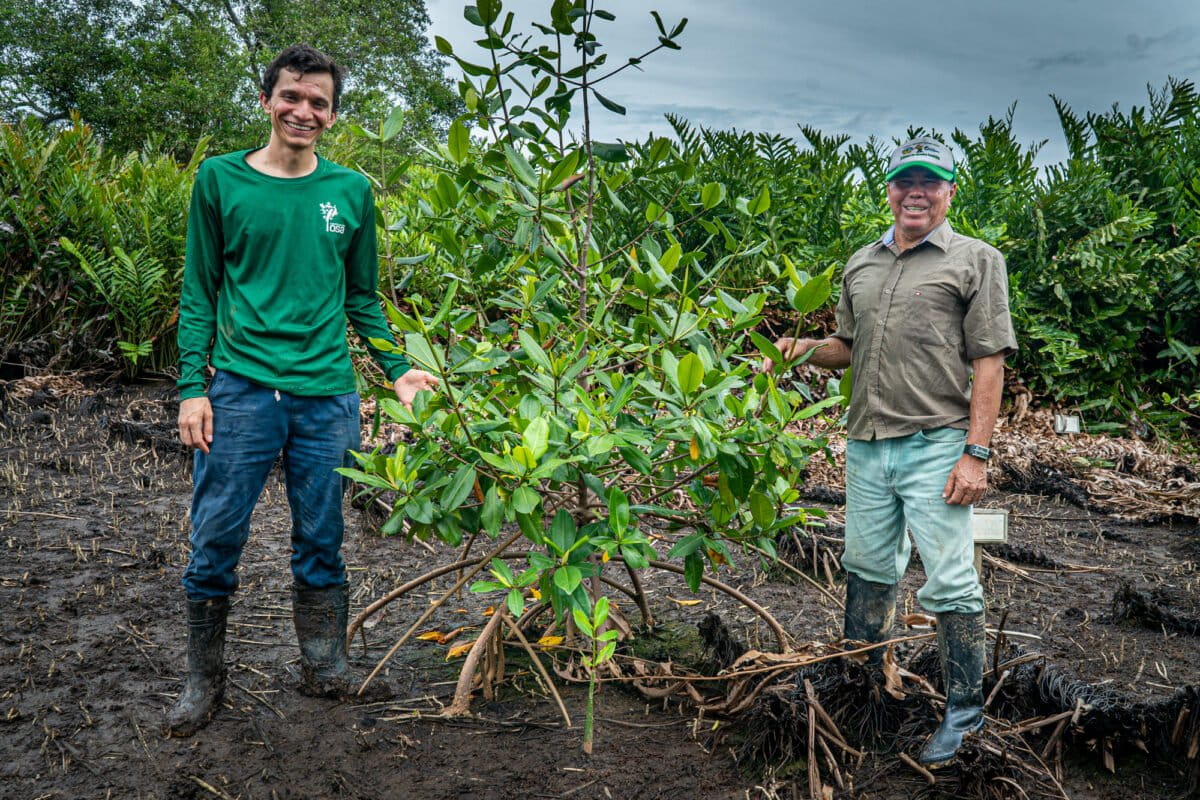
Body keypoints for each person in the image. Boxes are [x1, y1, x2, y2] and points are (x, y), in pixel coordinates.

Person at [166, 43, 439, 737]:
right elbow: (199, 292)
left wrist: (396, 366)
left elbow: (362, 298)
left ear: (333, 115)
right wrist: (191, 388)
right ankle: (205, 680)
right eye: (292, 96)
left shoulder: (349, 192)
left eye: (319, 102)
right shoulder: (220, 180)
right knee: (216, 537)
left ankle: (324, 666)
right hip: (241, 392)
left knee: (323, 535)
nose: (304, 110)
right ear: (267, 101)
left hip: (328, 396)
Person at [766, 136, 1016, 767]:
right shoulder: (861, 263)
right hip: (866, 445)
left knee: (952, 578)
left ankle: (964, 714)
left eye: (930, 182)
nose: (916, 193)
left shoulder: (976, 260)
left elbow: (989, 363)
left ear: (949, 192)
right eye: (906, 181)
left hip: (937, 445)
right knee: (868, 565)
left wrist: (976, 454)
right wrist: (792, 350)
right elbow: (848, 346)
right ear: (889, 190)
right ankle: (865, 690)